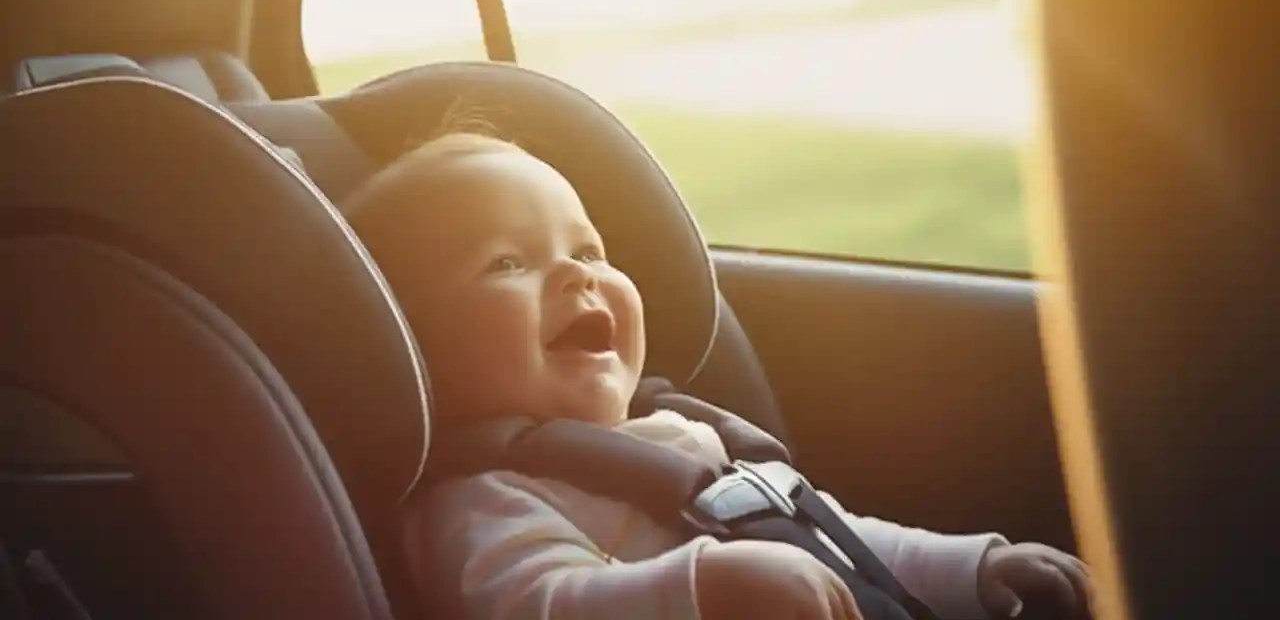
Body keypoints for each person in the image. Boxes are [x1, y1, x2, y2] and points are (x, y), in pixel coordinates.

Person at [344, 126, 1093, 620]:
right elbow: (547, 606)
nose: (576, 274)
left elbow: (832, 536)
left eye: (590, 250)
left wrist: (971, 569)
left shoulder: (678, 436)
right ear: (409, 346)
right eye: (508, 262)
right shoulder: (479, 503)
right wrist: (707, 588)